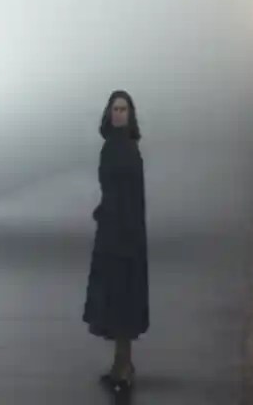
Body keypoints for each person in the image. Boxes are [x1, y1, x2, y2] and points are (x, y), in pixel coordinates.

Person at [82, 90, 149, 392]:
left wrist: (128, 229)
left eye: (123, 109)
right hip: (111, 230)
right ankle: (121, 364)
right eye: (115, 109)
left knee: (123, 298)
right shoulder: (111, 147)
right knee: (116, 298)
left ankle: (123, 366)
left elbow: (131, 195)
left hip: (125, 233)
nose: (119, 114)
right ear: (109, 113)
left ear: (130, 114)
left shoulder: (128, 149)